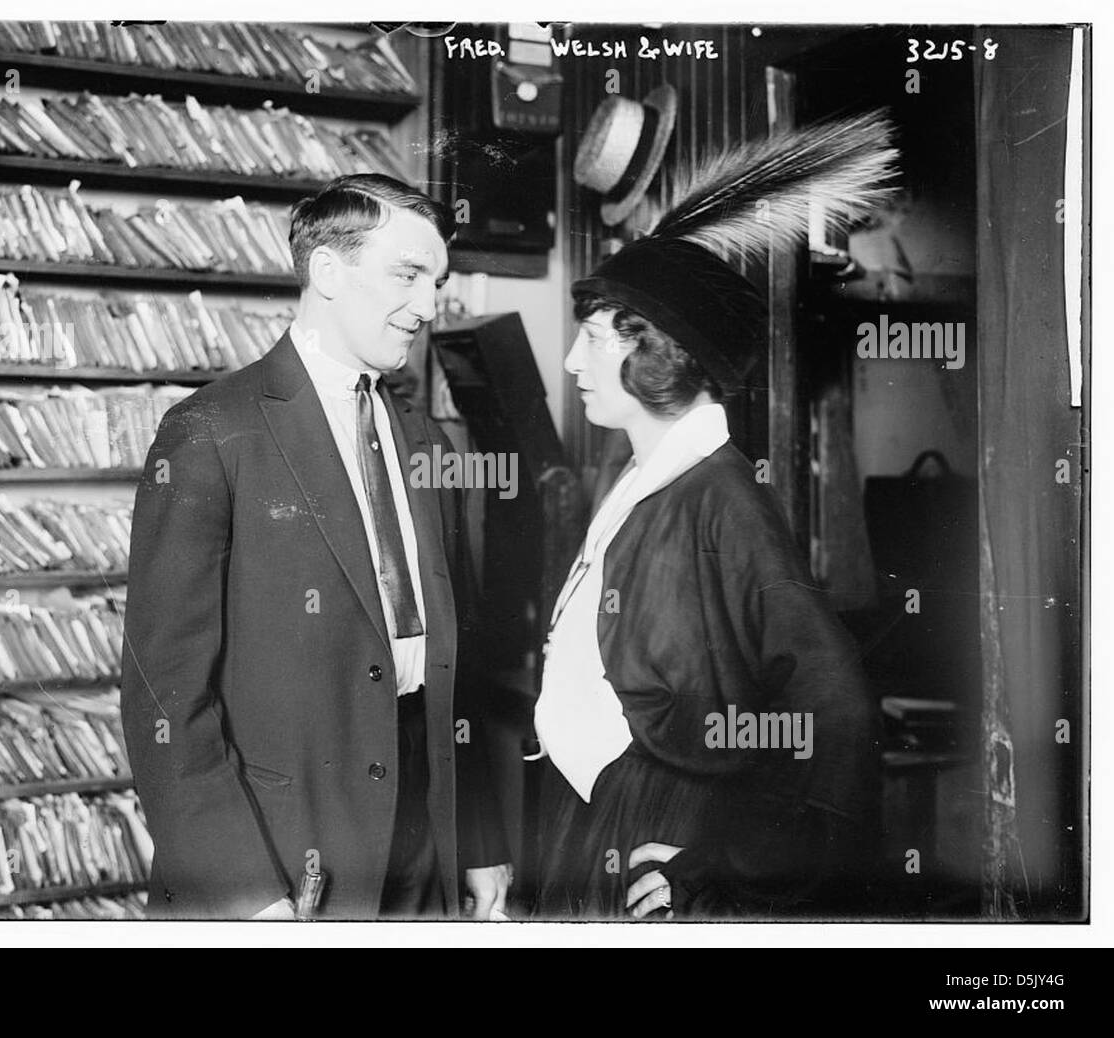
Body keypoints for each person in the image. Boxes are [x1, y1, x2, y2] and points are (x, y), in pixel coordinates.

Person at [534, 112, 898, 920]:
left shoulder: (721, 498)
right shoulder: (649, 478)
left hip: (656, 829)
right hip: (597, 818)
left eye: (592, 340)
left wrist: (731, 858)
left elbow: (834, 708)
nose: (571, 361)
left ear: (655, 351)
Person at [121, 173, 510, 920]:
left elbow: (459, 666)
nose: (430, 307)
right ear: (327, 271)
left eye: (437, 283)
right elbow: (163, 697)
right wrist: (247, 895)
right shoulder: (208, 430)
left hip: (424, 845)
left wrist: (480, 838)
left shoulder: (428, 439)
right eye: (408, 275)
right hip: (279, 860)